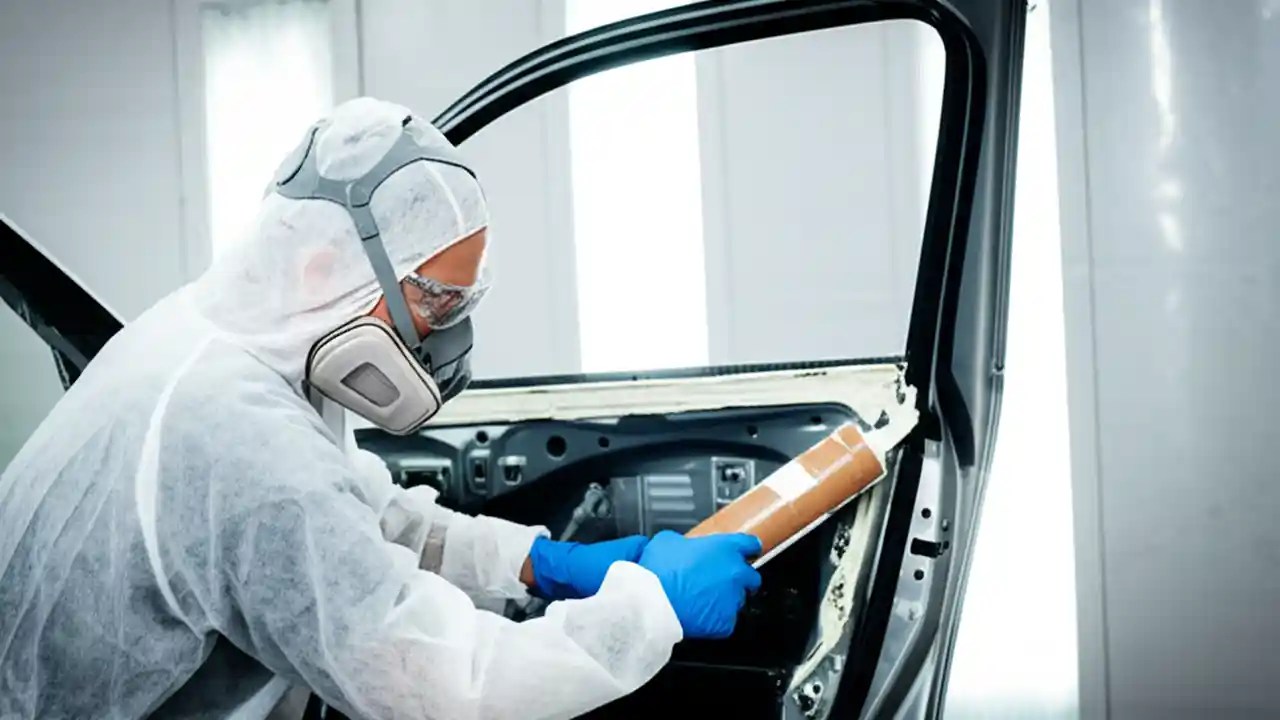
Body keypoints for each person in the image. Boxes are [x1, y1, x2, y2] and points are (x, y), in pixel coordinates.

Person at [0, 97, 763, 719]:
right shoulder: (236, 436)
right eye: (434, 301)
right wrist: (647, 611)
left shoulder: (228, 343)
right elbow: (445, 689)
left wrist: (536, 563)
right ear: (322, 266)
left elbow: (359, 516)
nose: (447, 336)